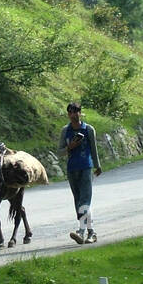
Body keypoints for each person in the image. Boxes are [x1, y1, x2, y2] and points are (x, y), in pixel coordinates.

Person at [60, 102, 102, 244]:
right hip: (72, 169)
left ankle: (81, 231)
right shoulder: (65, 131)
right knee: (78, 202)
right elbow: (59, 152)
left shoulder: (88, 129)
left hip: (86, 167)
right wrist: (69, 147)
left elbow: (94, 148)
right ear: (68, 114)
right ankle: (92, 233)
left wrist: (97, 165)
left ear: (80, 113)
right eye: (71, 112)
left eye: (76, 111)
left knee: (85, 200)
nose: (74, 115)